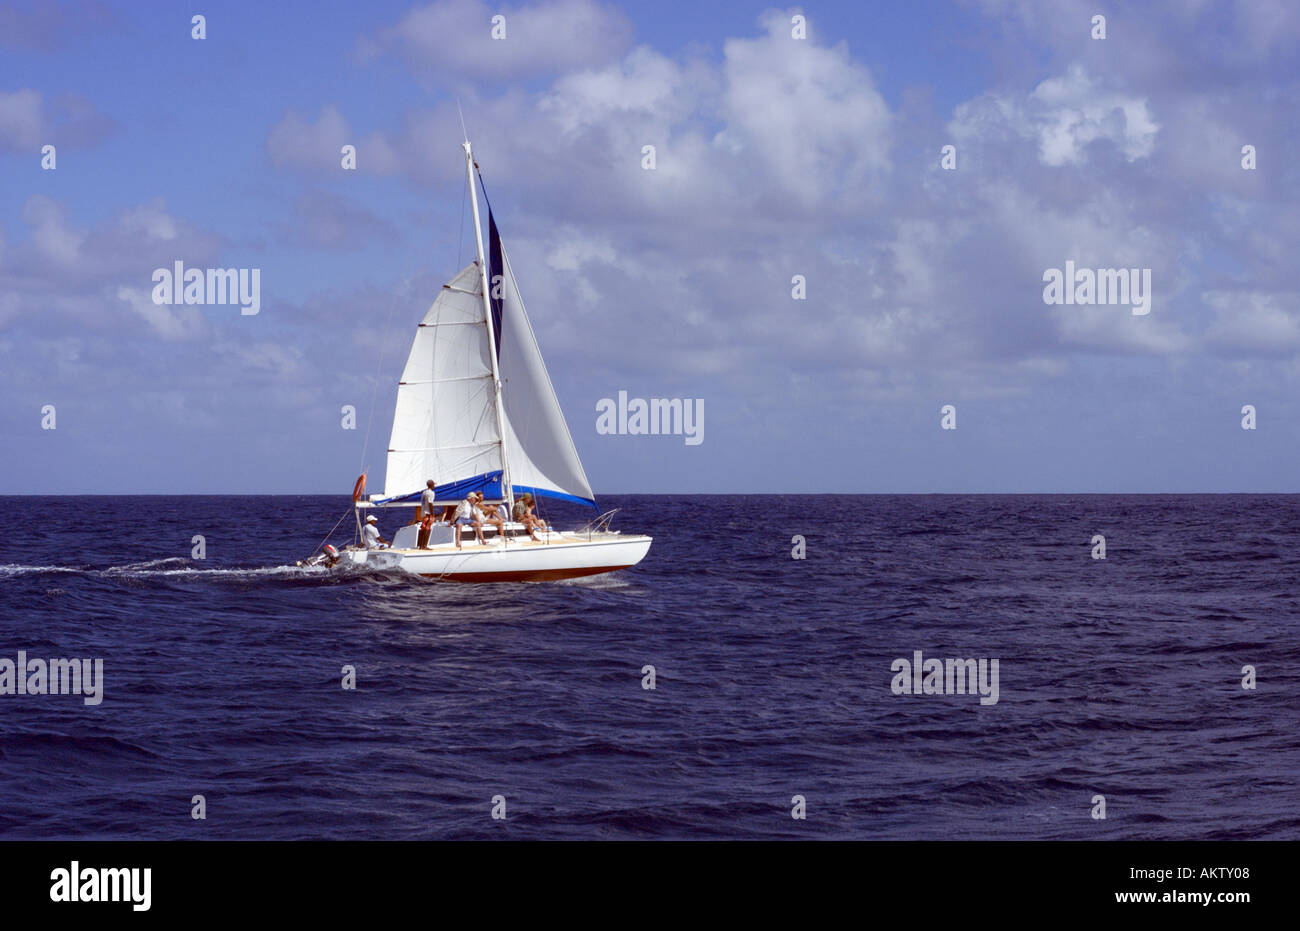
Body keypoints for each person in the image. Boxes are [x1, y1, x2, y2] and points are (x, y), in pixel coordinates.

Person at [417, 480, 437, 549]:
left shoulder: (424, 492)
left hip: (423, 513)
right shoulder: (431, 493)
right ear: (431, 485)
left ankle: (420, 545)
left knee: (423, 528)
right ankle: (424, 545)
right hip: (428, 514)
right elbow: (430, 503)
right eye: (434, 485)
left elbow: (423, 502)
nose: (434, 486)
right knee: (427, 529)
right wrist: (432, 513)